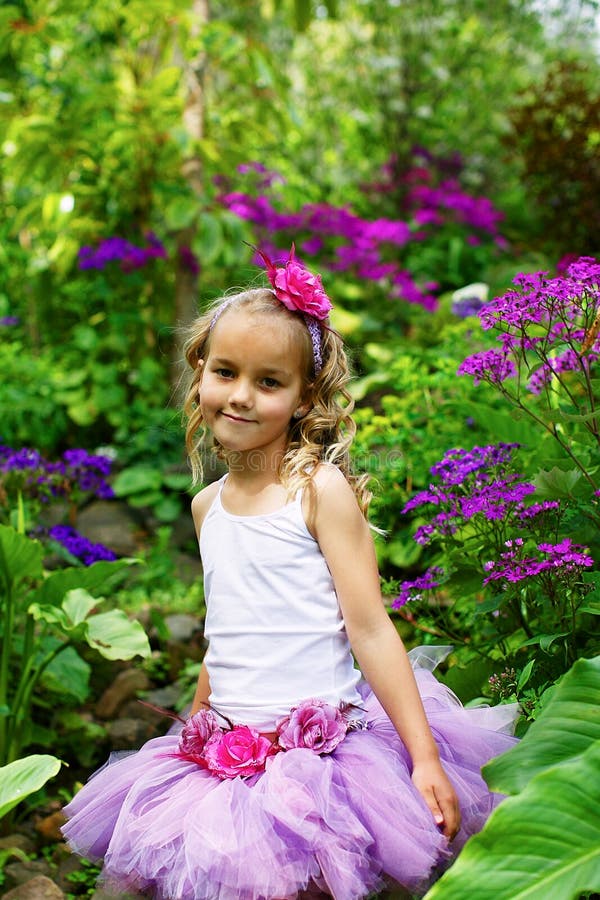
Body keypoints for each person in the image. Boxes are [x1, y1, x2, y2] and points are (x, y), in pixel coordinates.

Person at [62, 247, 518, 900]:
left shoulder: (318, 490)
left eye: (269, 382)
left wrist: (423, 759)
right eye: (226, 372)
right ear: (200, 372)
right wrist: (193, 728)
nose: (241, 396)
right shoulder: (206, 506)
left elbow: (369, 629)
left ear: (304, 395)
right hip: (231, 753)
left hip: (327, 763)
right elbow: (228, 634)